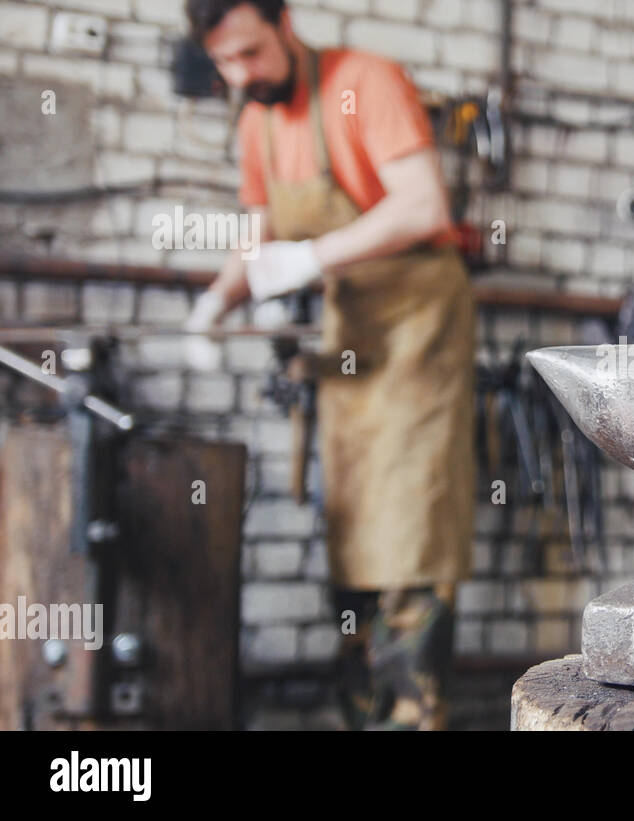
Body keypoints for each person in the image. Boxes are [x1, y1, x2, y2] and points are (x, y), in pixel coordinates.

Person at [183, 0, 475, 730]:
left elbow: (421, 203)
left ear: (285, 23)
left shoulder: (365, 81)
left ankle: (414, 715)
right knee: (352, 529)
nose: (240, 73)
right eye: (223, 61)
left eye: (251, 53)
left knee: (411, 527)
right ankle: (362, 713)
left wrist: (310, 257)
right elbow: (259, 239)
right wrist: (215, 304)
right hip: (353, 337)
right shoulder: (256, 120)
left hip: (418, 328)